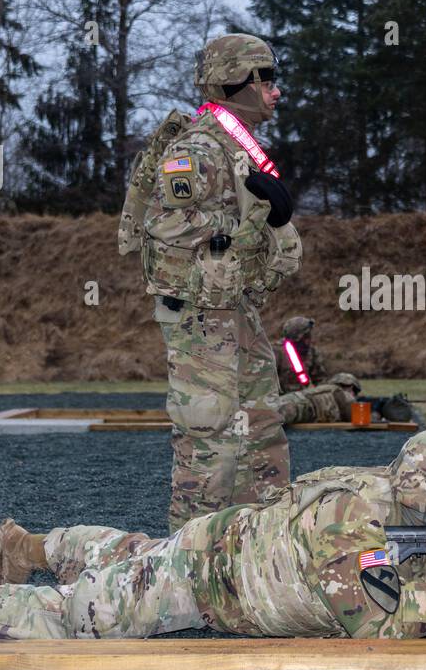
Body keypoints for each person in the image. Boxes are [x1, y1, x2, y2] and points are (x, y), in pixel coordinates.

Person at [0, 430, 426, 640]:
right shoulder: (351, 521)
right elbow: (382, 633)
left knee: (123, 551)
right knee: (84, 611)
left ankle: (27, 547)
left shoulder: (414, 513)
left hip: (225, 541)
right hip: (206, 583)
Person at [118, 34, 302, 532]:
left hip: (234, 311)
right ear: (237, 82)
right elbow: (165, 223)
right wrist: (244, 228)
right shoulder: (197, 149)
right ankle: (186, 565)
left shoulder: (237, 145)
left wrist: (266, 224)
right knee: (210, 441)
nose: (276, 91)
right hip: (201, 317)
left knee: (260, 430)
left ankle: (257, 548)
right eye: (266, 80)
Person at [277, 316, 327, 393]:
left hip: (303, 398)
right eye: (306, 337)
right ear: (296, 338)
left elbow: (320, 379)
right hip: (282, 400)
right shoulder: (277, 353)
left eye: (309, 336)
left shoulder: (311, 352)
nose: (309, 340)